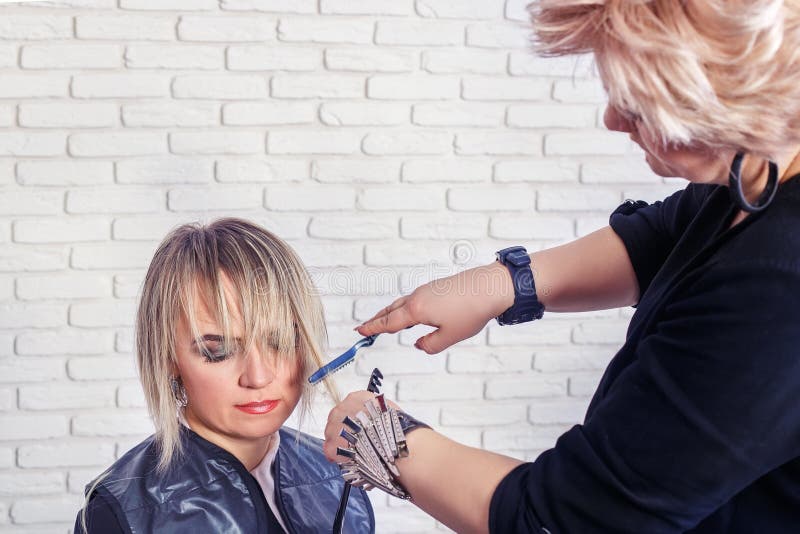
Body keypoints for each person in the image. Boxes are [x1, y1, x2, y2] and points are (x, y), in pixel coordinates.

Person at [323, 1, 800, 533]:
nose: (613, 120)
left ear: (735, 104)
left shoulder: (778, 290)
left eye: (639, 108)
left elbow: (570, 520)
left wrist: (381, 440)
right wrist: (497, 285)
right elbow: (665, 238)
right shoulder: (761, 168)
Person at [75, 218, 374, 533]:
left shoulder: (339, 472)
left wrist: (404, 454)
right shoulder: (120, 514)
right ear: (168, 358)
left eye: (281, 341)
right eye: (218, 351)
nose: (258, 377)